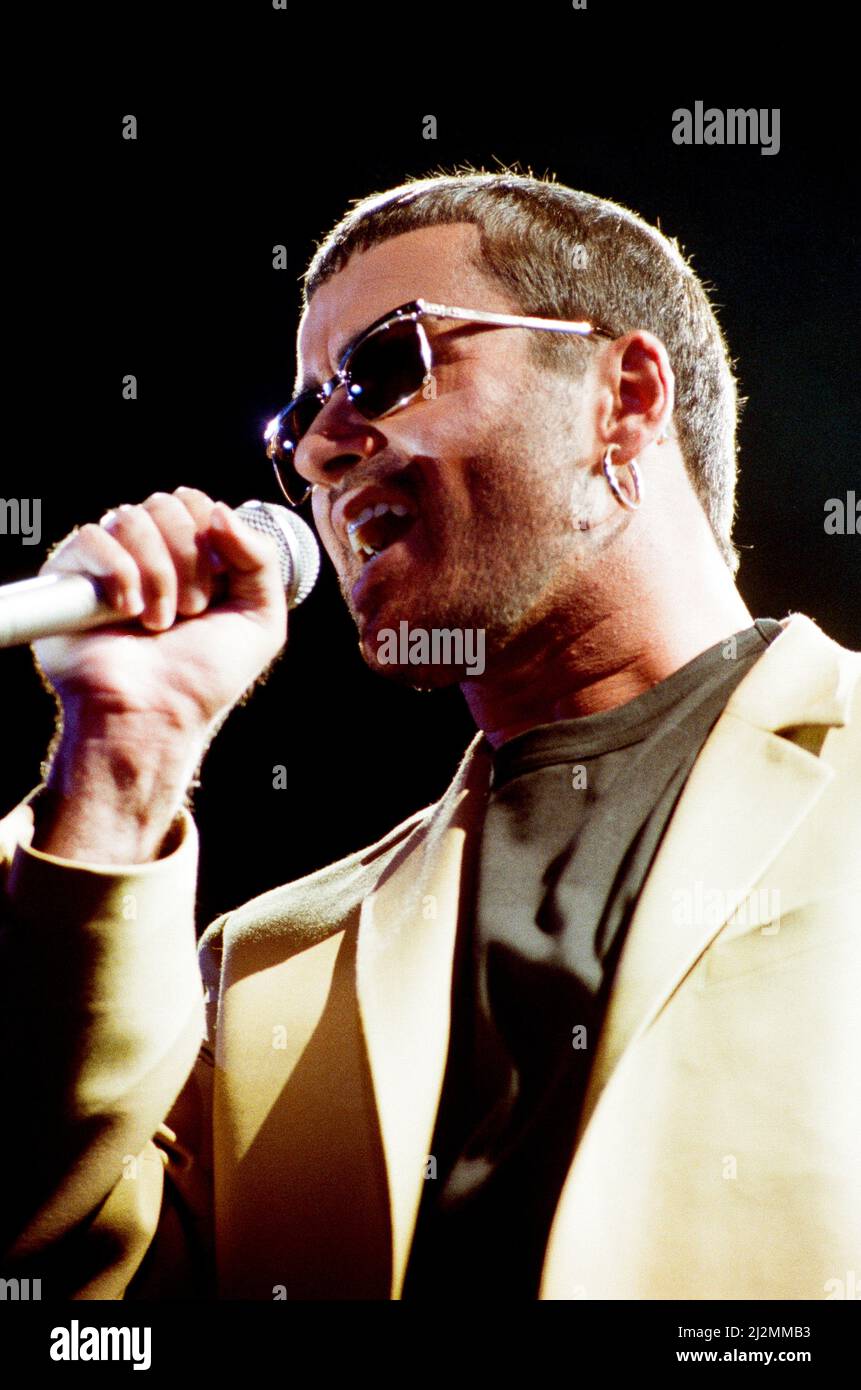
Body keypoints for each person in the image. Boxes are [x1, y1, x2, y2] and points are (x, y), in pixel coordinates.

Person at [1, 172, 858, 1300]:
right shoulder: (263, 966)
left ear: (626, 396)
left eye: (385, 367)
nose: (319, 452)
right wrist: (121, 762)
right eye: (299, 423)